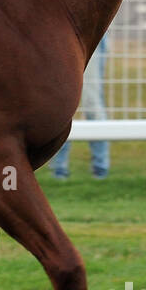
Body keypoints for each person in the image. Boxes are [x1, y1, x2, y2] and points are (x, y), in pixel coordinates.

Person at [50, 34, 111, 180]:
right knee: (62, 105)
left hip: (88, 32)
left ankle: (100, 170)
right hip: (59, 34)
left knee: (92, 104)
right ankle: (59, 170)